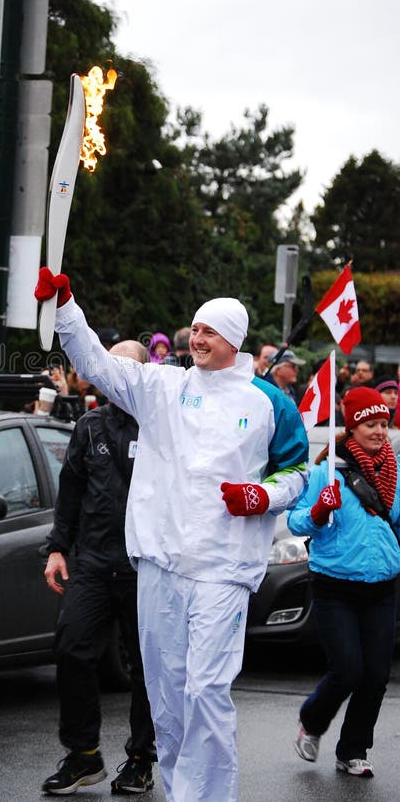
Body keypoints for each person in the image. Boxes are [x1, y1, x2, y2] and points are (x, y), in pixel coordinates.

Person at [34, 268, 309, 802]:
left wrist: (262, 496)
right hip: (160, 565)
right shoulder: (162, 387)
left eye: (208, 331)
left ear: (233, 340)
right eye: (194, 329)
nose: (197, 339)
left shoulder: (267, 402)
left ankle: (211, 797)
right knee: (165, 697)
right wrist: (66, 307)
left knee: (206, 689)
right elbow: (96, 364)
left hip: (223, 568)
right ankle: (182, 791)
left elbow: (298, 472)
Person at [42, 340, 156, 796]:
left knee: (147, 668)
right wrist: (56, 549)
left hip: (145, 566)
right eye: (110, 366)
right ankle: (83, 756)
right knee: (71, 650)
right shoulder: (88, 427)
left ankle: (142, 759)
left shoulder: (161, 426)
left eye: (127, 367)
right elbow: (69, 493)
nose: (117, 375)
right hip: (91, 562)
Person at [288, 386, 400, 779]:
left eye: (384, 423)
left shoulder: (394, 471)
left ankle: (352, 750)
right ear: (352, 426)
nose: (379, 431)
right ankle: (312, 722)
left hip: (381, 586)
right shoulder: (326, 470)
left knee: (376, 677)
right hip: (334, 585)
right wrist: (320, 510)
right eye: (371, 423)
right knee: (348, 670)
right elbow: (295, 521)